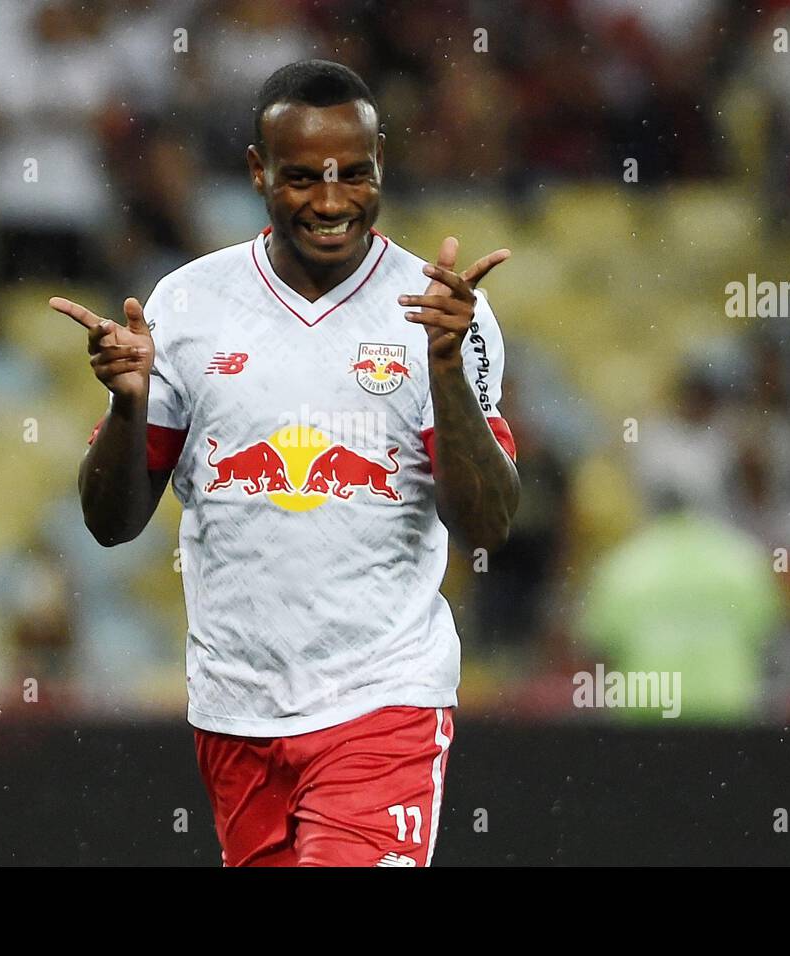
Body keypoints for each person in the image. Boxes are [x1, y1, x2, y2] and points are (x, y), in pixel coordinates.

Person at [50, 60, 519, 867]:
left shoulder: (440, 316)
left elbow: (489, 520)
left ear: (381, 169)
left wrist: (445, 370)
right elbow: (111, 522)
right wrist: (129, 406)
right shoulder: (189, 305)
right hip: (238, 713)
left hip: (384, 703)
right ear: (257, 171)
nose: (332, 202)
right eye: (302, 178)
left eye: (354, 176)